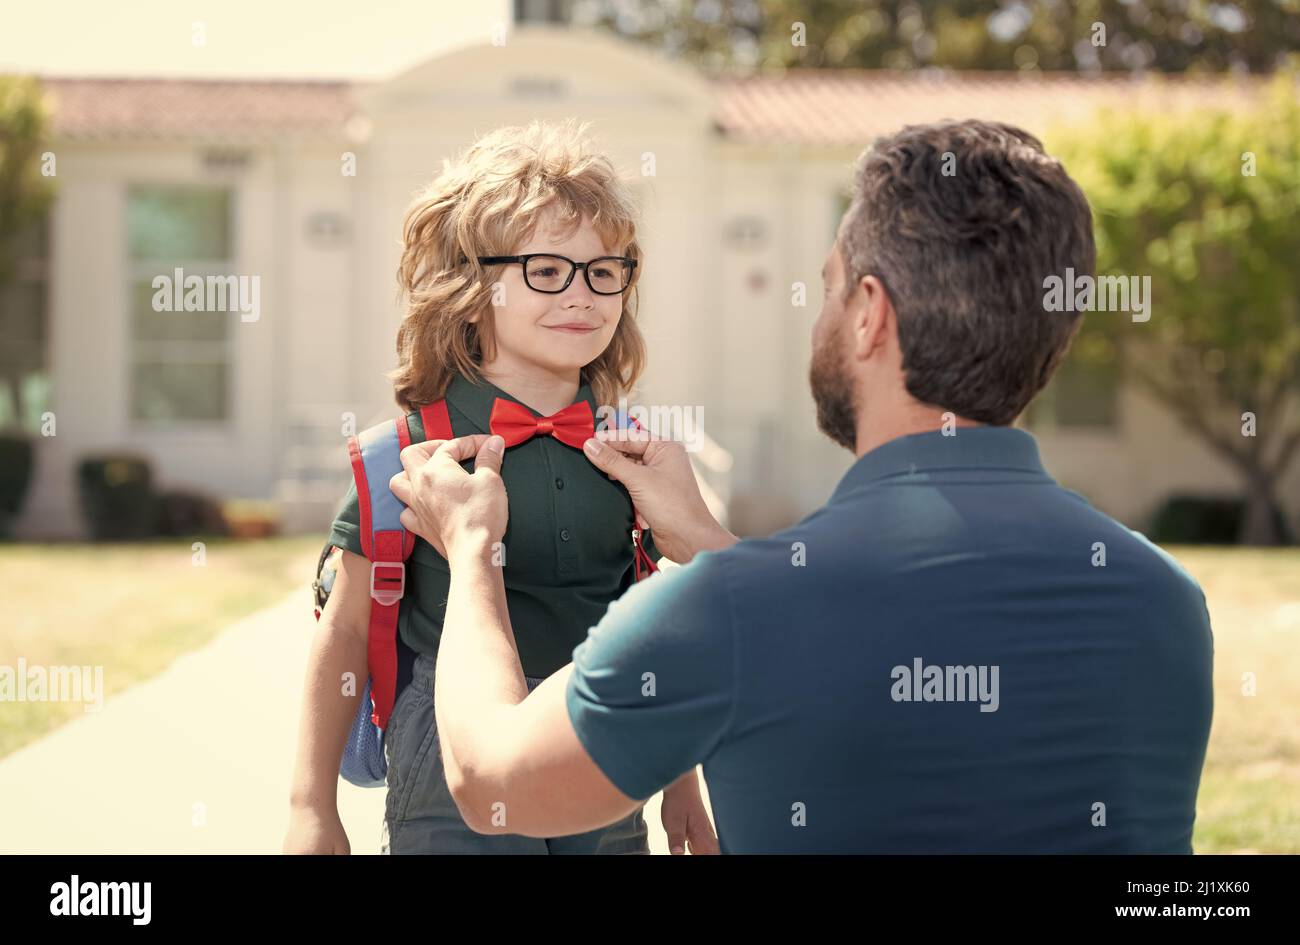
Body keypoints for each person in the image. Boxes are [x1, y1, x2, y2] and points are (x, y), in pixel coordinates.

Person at [392, 119, 1215, 854]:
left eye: (827, 286)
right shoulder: (1164, 598)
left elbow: (495, 784)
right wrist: (708, 543)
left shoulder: (724, 612)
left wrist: (471, 546)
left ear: (869, 314)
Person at [284, 120, 717, 855]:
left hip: (601, 737)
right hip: (449, 749)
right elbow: (346, 631)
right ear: (469, 285)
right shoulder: (407, 455)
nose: (582, 295)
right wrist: (310, 807)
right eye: (546, 270)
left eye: (604, 271)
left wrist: (682, 783)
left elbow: (650, 628)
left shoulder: (635, 456)